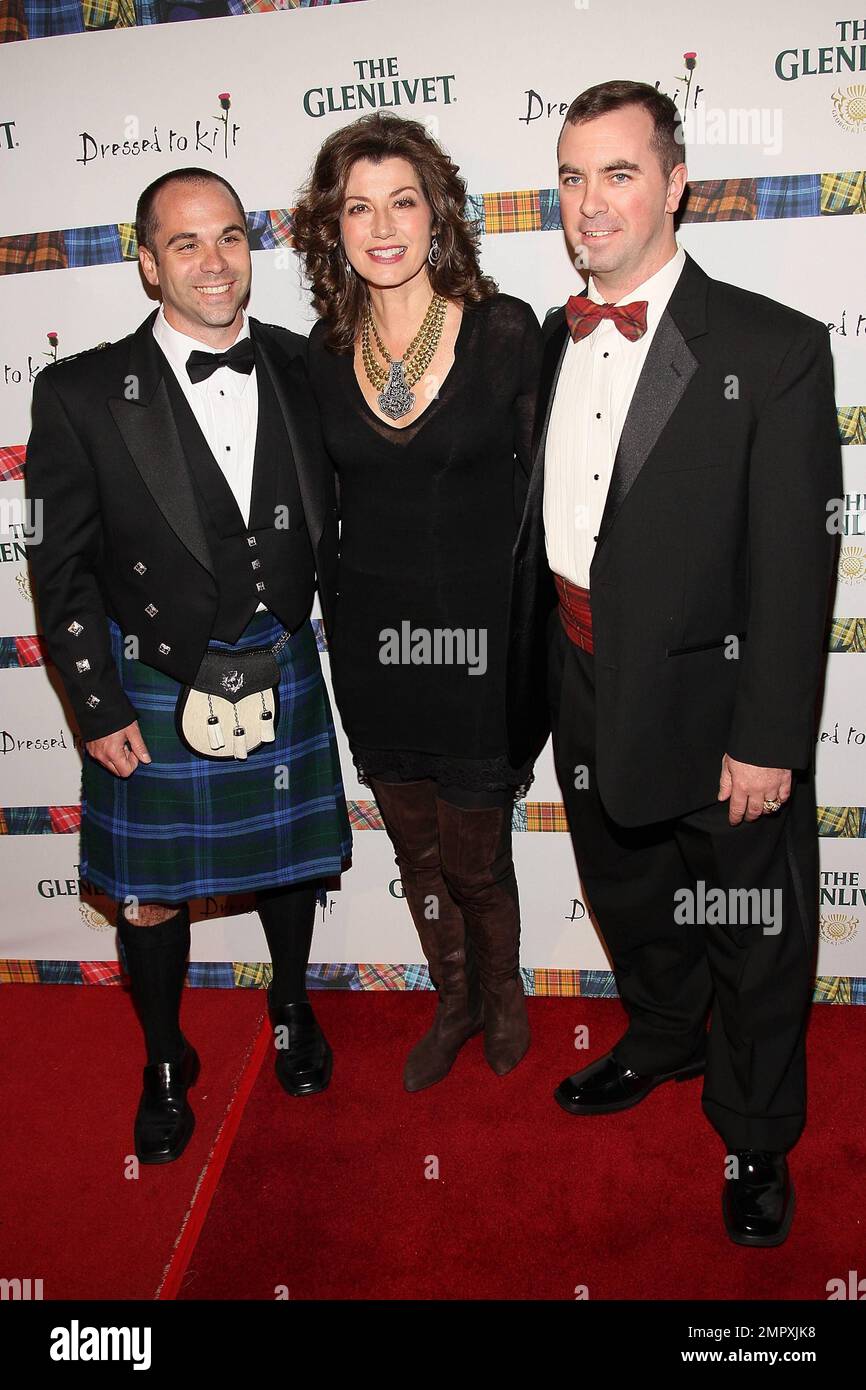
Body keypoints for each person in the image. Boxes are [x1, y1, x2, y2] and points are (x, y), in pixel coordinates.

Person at [506, 81, 841, 1244]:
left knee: (751, 930)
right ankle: (657, 1040)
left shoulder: (774, 347)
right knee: (630, 895)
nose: (588, 203)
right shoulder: (546, 338)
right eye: (569, 176)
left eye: (617, 173)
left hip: (715, 708)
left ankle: (752, 1131)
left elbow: (797, 570)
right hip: (581, 684)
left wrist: (765, 739)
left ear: (675, 182)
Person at [25, 168, 352, 1164]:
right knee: (151, 893)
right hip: (159, 679)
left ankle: (289, 1003)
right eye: (184, 243)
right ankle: (165, 1057)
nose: (212, 262)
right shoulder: (81, 391)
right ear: (146, 261)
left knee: (294, 860)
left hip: (282, 660)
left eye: (228, 238)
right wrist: (95, 702)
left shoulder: (303, 365)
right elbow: (60, 560)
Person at [292, 113, 543, 1090]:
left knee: (475, 859)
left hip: (481, 656)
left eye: (401, 201)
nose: (381, 225)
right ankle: (453, 1000)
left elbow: (545, 506)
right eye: (359, 206)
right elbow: (314, 512)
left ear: (435, 215)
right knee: (418, 857)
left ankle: (505, 998)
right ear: (334, 228)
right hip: (373, 653)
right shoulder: (321, 355)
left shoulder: (503, 333)